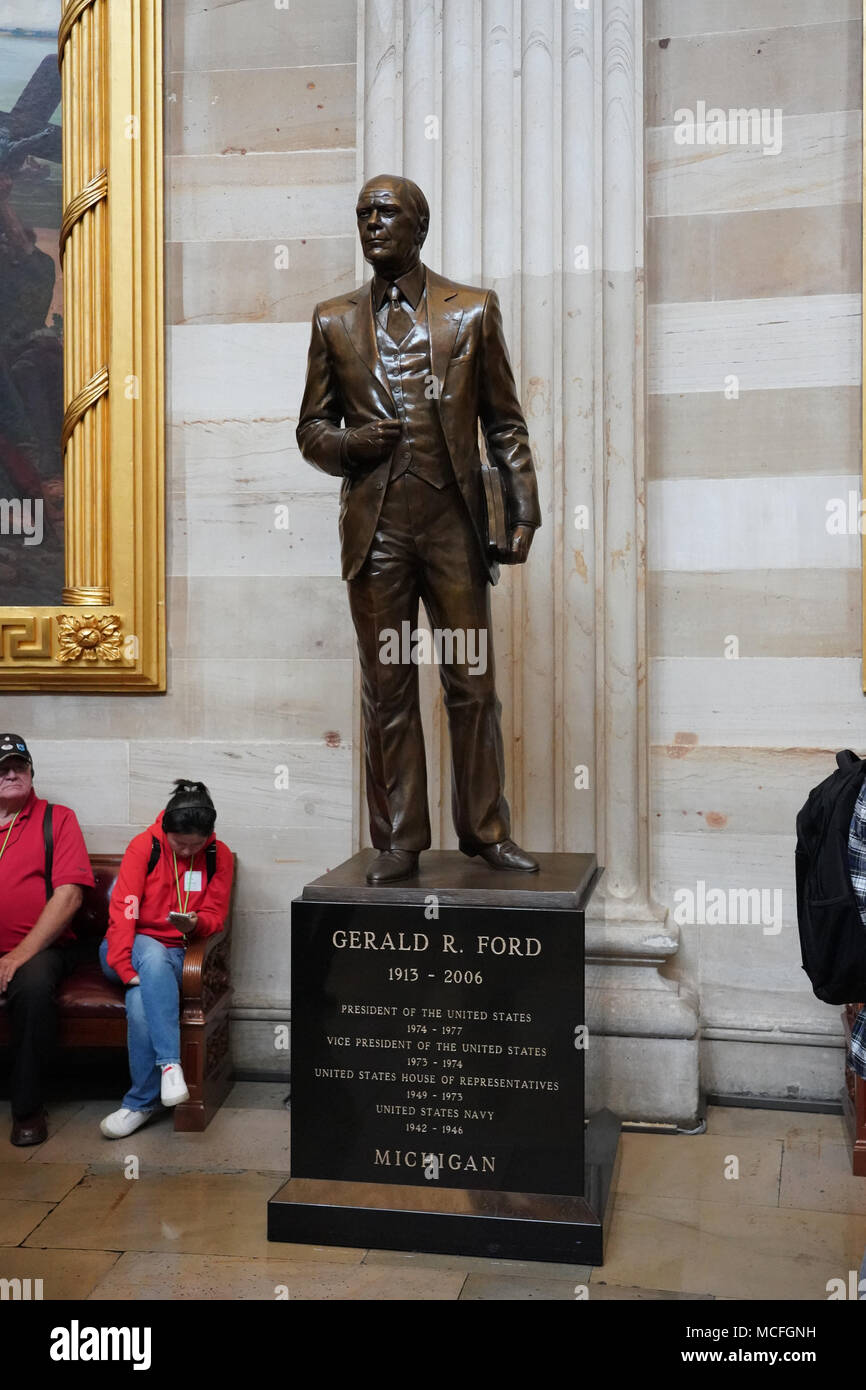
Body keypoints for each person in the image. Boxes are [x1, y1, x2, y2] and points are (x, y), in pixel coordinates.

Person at [297, 174, 543, 884]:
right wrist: (352, 445)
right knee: (389, 686)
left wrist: (522, 511)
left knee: (471, 683)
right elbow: (311, 431)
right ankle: (399, 839)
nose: (373, 224)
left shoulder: (471, 311)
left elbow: (505, 423)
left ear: (419, 227)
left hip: (453, 532)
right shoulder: (332, 320)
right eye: (363, 214)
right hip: (378, 536)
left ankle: (486, 832)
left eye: (387, 213)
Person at [99, 780, 233, 1139]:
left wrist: (197, 922)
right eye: (180, 843)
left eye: (196, 844)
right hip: (125, 948)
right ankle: (170, 1064)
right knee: (152, 956)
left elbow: (216, 913)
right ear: (166, 830)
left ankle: (139, 1104)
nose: (188, 851)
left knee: (143, 1002)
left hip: (179, 955)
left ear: (210, 835)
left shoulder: (220, 856)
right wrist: (126, 968)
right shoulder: (144, 846)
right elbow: (123, 910)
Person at [0, 733, 95, 1146]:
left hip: (41, 948)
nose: (11, 774)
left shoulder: (58, 819)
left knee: (34, 987)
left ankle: (27, 1110)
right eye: (2, 769)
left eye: (19, 767)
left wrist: (19, 954)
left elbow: (70, 894)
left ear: (32, 773)